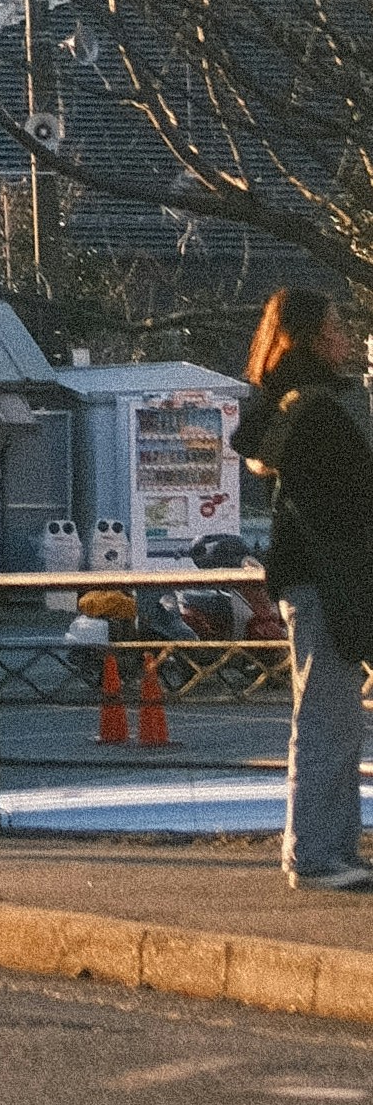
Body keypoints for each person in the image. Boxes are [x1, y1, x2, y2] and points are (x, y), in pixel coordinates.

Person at [238, 286, 373, 894]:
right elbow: (348, 505)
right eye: (338, 325)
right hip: (333, 579)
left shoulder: (288, 406)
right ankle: (317, 854)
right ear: (314, 336)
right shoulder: (324, 410)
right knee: (328, 721)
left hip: (311, 576)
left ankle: (326, 850)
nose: (346, 336)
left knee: (328, 718)